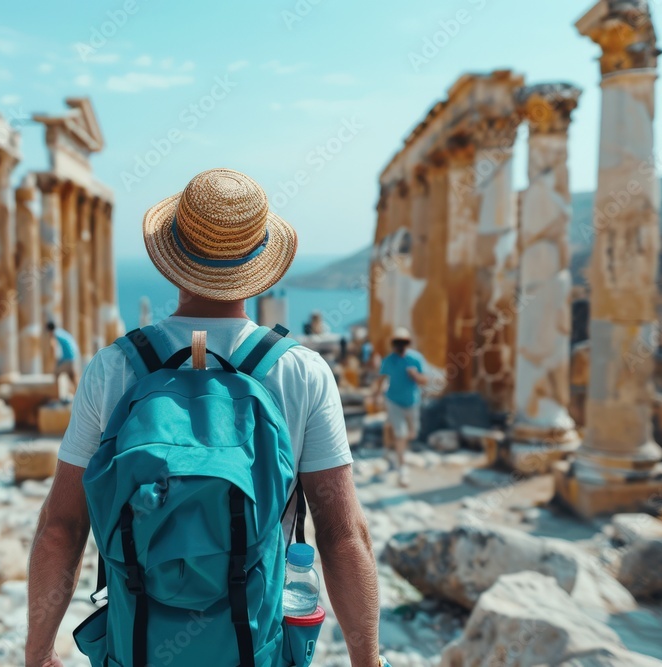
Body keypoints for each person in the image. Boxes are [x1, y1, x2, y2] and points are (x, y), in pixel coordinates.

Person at [26, 169, 382, 667]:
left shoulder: (116, 367)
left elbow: (61, 527)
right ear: (259, 264)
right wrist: (367, 660)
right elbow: (342, 534)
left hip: (139, 645)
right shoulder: (300, 371)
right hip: (251, 644)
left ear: (172, 259)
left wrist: (38, 652)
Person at [372, 328, 427, 487]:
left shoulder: (416, 359)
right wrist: (376, 396)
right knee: (401, 433)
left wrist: (415, 375)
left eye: (403, 342)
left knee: (412, 433)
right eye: (397, 342)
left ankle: (393, 443)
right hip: (393, 401)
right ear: (393, 344)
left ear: (408, 343)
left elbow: (424, 380)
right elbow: (382, 378)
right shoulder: (389, 360)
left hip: (412, 402)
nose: (400, 345)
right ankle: (402, 467)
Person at [46, 321, 79, 389]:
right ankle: (78, 394)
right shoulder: (61, 332)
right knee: (72, 377)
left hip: (67, 359)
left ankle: (55, 394)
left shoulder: (55, 335)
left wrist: (56, 363)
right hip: (73, 357)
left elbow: (55, 350)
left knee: (56, 374)